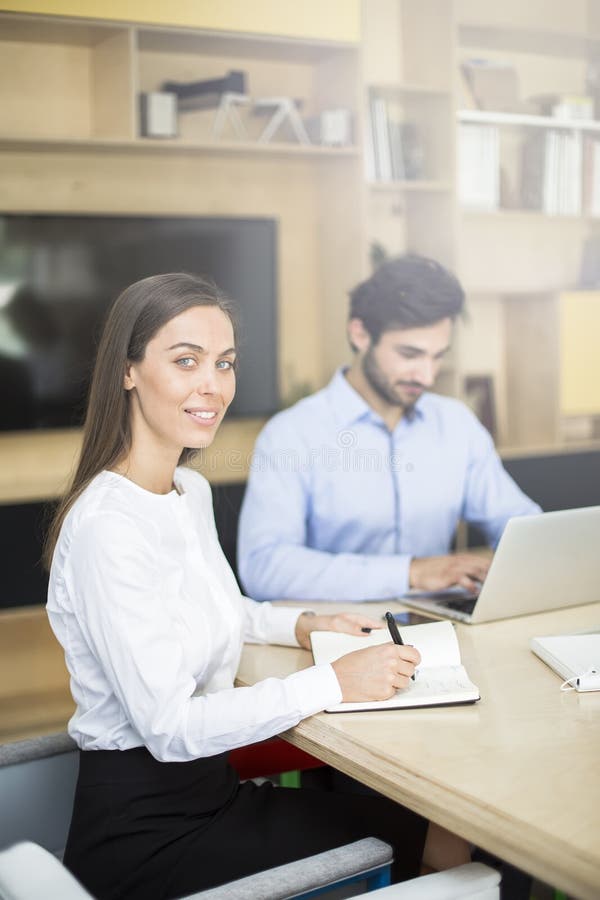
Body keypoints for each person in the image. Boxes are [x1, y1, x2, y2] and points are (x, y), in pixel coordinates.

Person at [43, 272, 465, 900]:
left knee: (444, 828)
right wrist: (333, 683)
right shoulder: (108, 527)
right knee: (443, 836)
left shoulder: (189, 491)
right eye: (186, 361)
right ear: (128, 370)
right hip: (147, 838)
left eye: (225, 363)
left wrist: (300, 625)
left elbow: (220, 607)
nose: (212, 385)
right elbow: (168, 727)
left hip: (213, 797)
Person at [238, 255, 541, 603]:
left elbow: (519, 526)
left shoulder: (457, 425)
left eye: (437, 356)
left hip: (443, 628)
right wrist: (411, 572)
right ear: (361, 333)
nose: (427, 376)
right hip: (339, 636)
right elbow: (263, 567)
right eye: (410, 354)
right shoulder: (292, 435)